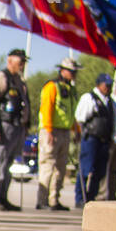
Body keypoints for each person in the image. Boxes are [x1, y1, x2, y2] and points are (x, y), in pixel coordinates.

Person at [0, 47, 30, 211]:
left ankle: (2, 197)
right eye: (20, 61)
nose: (23, 64)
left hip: (17, 126)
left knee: (8, 163)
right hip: (3, 126)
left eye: (24, 62)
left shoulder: (19, 81)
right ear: (10, 60)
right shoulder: (1, 77)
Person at [36, 58, 80, 210]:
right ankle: (42, 199)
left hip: (65, 131)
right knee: (48, 164)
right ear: (62, 70)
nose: (74, 74)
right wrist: (48, 130)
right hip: (51, 130)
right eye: (72, 71)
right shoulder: (51, 86)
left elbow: (70, 112)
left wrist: (76, 129)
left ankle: (54, 199)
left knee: (61, 167)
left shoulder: (71, 89)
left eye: (75, 72)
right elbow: (46, 108)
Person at [73, 73, 115, 208]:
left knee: (100, 171)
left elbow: (112, 121)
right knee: (86, 169)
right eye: (105, 85)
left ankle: (91, 197)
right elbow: (80, 118)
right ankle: (80, 198)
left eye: (109, 85)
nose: (107, 87)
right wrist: (79, 134)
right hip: (91, 138)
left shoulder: (109, 101)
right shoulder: (89, 98)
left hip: (104, 140)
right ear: (99, 84)